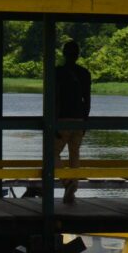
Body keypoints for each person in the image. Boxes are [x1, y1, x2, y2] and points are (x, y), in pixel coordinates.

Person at [53, 38, 93, 202]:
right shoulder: (85, 73)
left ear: (64, 54)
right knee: (74, 155)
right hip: (79, 120)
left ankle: (67, 182)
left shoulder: (58, 72)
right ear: (78, 55)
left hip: (62, 119)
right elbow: (87, 99)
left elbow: (55, 98)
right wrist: (85, 121)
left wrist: (54, 122)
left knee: (51, 153)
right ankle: (72, 189)